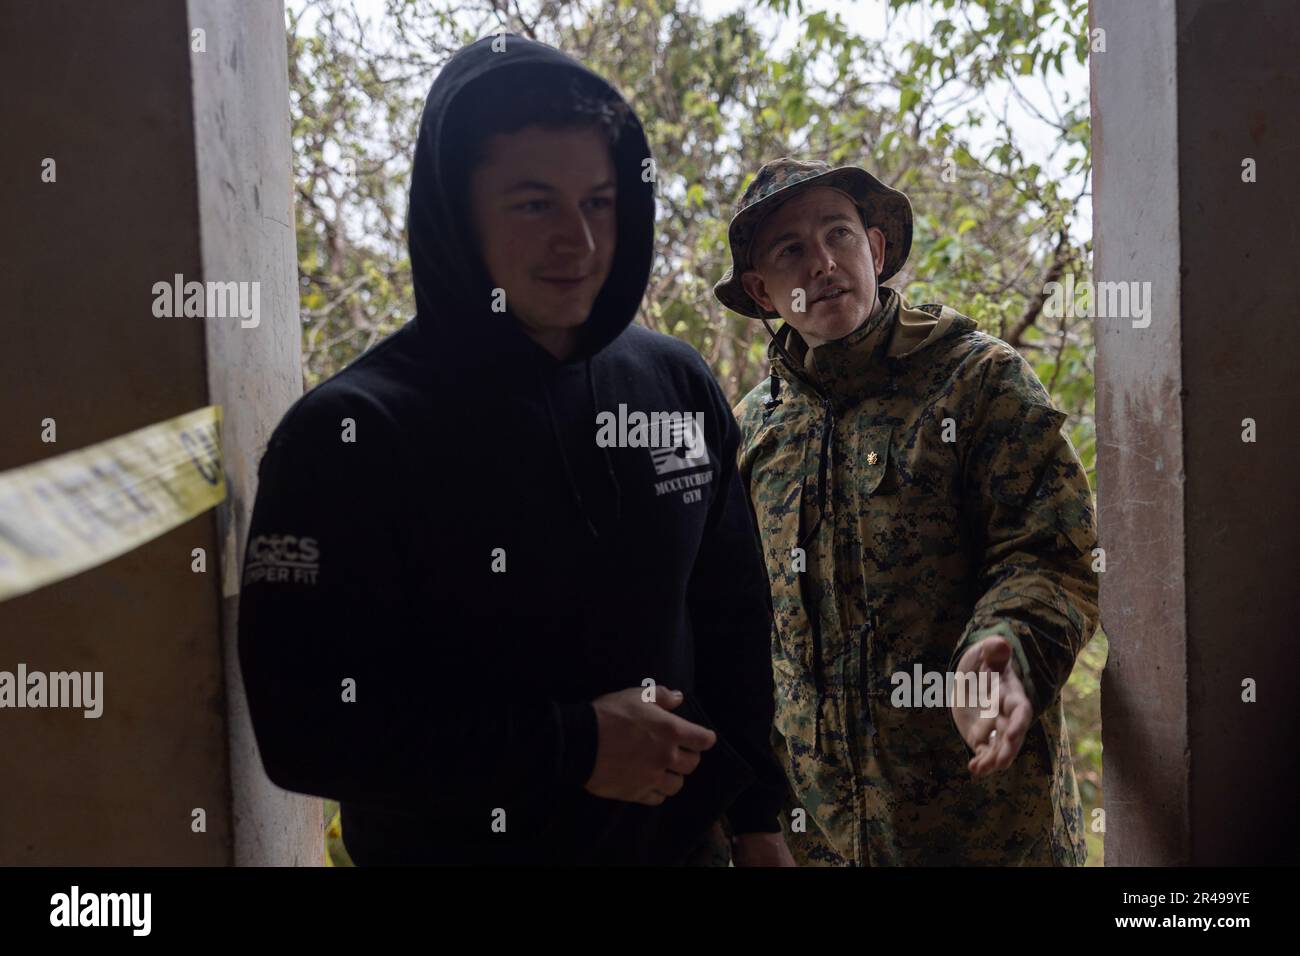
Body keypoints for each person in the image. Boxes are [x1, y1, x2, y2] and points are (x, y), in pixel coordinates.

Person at [238, 35, 792, 866]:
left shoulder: (673, 381)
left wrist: (759, 822)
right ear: (456, 212)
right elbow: (305, 728)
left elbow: (732, 619)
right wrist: (573, 746)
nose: (579, 241)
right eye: (533, 204)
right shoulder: (349, 434)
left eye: (598, 202)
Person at [716, 157, 1100, 865]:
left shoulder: (977, 379)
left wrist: (1008, 649)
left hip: (987, 829)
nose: (823, 263)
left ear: (878, 250)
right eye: (791, 251)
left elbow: (1049, 554)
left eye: (840, 235)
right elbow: (735, 631)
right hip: (820, 838)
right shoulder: (749, 433)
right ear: (760, 291)